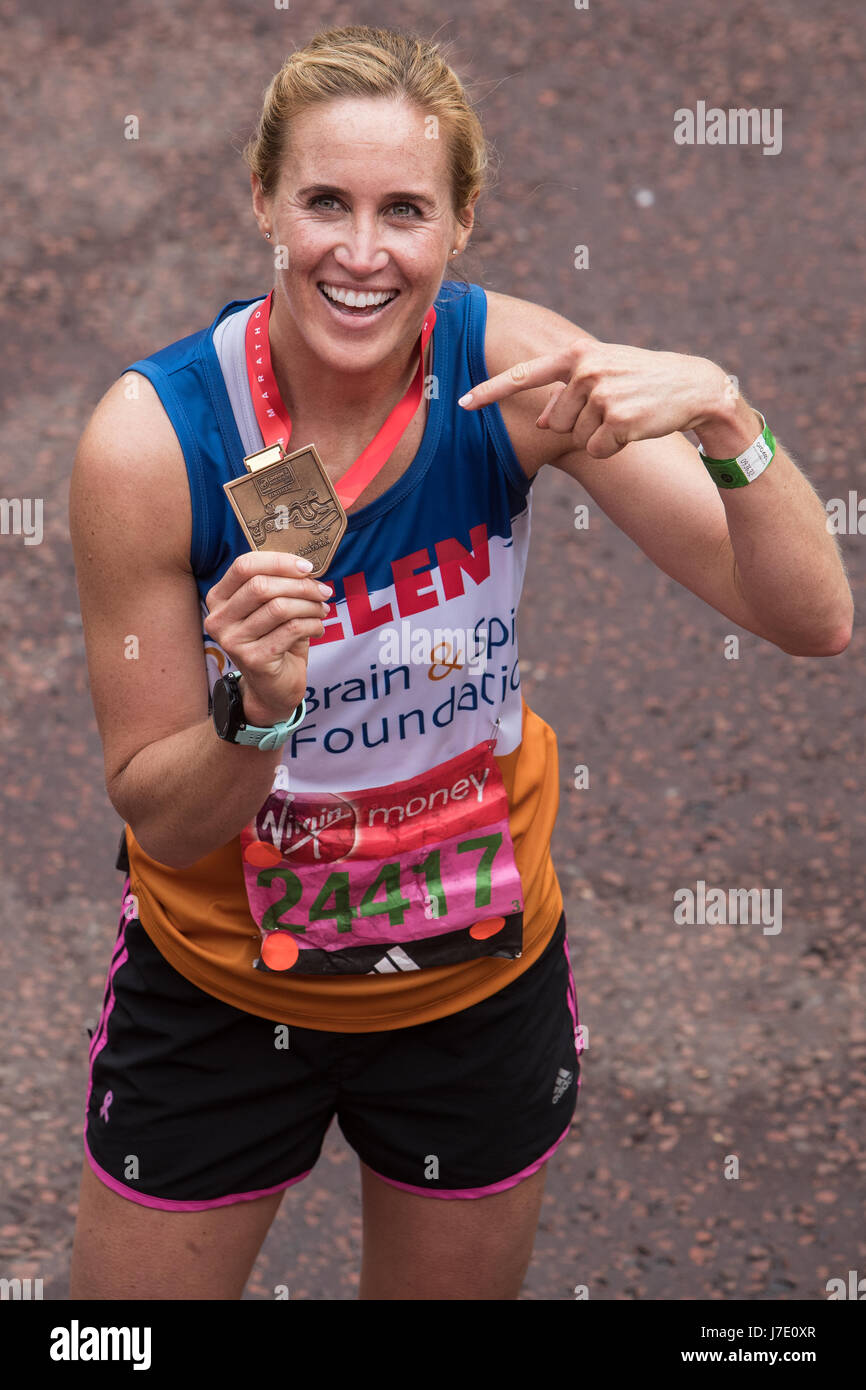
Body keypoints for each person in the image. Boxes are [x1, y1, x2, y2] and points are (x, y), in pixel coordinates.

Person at [67, 23, 853, 1302]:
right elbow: (158, 810)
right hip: (219, 990)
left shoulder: (509, 372)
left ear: (461, 222)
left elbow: (808, 618)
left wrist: (727, 414)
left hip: (470, 983)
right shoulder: (150, 443)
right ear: (261, 199)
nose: (361, 253)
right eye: (324, 201)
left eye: (404, 211)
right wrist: (257, 714)